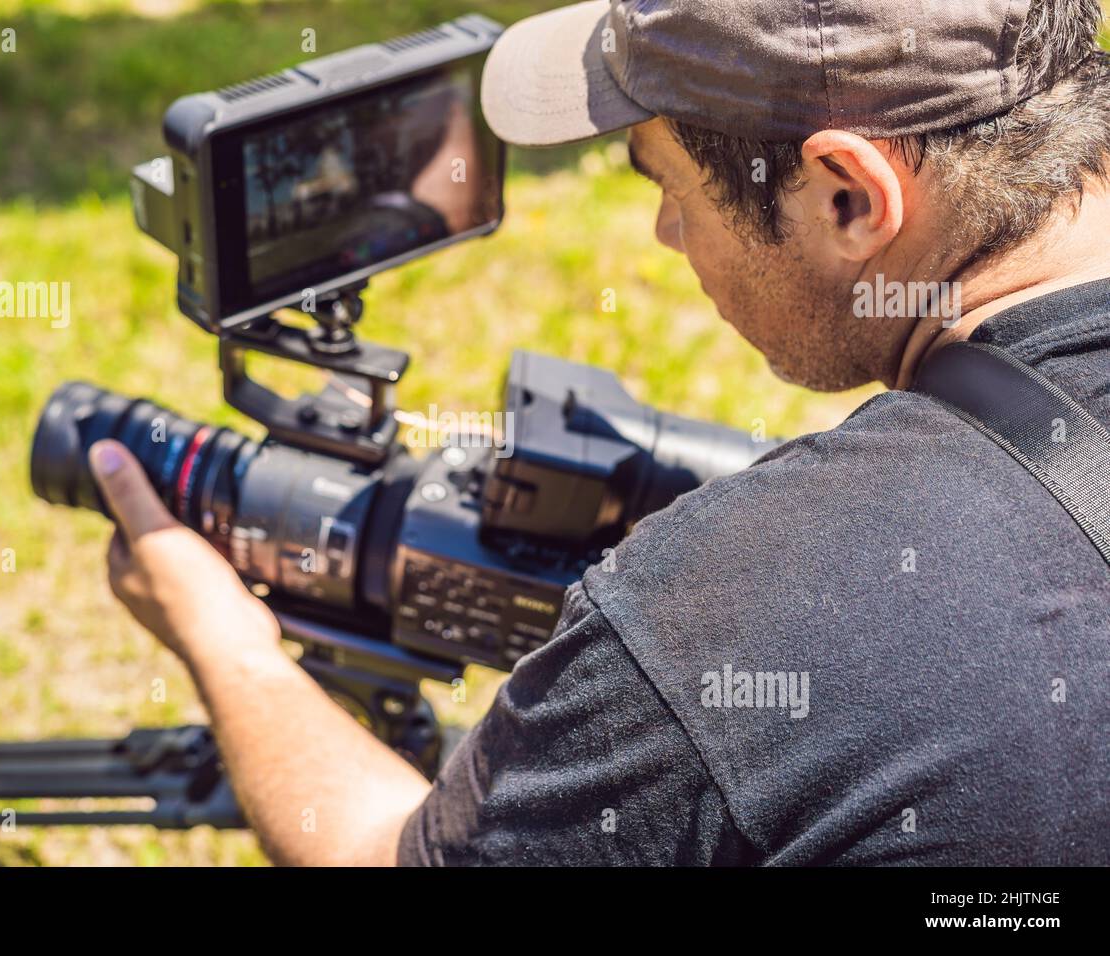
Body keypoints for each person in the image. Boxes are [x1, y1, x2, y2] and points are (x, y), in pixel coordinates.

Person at [85, 0, 1110, 865]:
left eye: (664, 183)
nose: (667, 233)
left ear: (847, 196)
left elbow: (381, 850)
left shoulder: (728, 620)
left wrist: (228, 641)